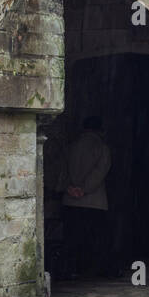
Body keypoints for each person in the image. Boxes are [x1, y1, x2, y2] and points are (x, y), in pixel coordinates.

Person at [62, 116, 114, 279]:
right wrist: (84, 189)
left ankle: (71, 269)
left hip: (70, 200)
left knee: (72, 238)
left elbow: (61, 168)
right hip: (94, 202)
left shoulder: (70, 146)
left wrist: (69, 187)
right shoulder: (102, 147)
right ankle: (92, 270)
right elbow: (100, 171)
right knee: (94, 239)